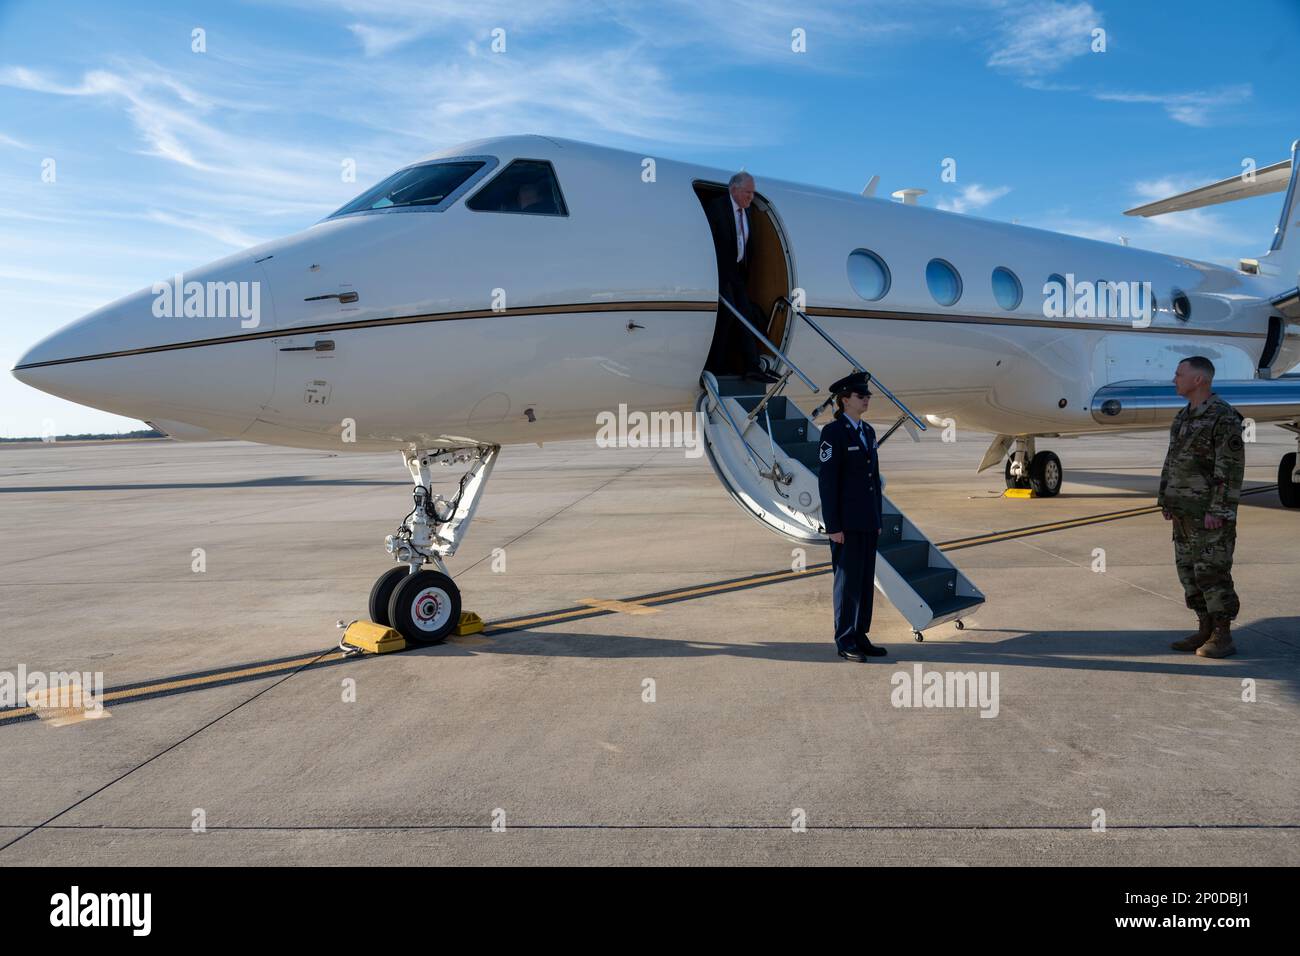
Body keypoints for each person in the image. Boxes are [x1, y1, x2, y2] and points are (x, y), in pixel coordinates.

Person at [1159, 355, 1245, 659]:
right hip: (1182, 511)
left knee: (1212, 572)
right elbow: (1172, 461)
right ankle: (1204, 626)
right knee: (1189, 573)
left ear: (1199, 380)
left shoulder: (1223, 418)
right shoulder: (1183, 417)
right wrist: (1166, 499)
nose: (1174, 379)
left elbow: (1230, 469)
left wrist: (1219, 510)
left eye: (1179, 374)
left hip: (1209, 515)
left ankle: (1223, 635)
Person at [817, 371, 886, 662]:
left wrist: (878, 519)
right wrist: (833, 526)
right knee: (846, 582)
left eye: (867, 395)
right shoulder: (832, 434)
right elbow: (827, 482)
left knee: (863, 579)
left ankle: (860, 633)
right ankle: (845, 638)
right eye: (861, 395)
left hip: (867, 521)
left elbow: (874, 478)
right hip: (845, 524)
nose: (866, 398)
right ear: (844, 400)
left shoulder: (868, 432)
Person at [704, 172, 776, 382]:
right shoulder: (717, 208)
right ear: (733, 189)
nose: (750, 197)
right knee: (727, 319)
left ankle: (752, 367)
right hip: (719, 274)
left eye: (752, 193)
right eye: (747, 192)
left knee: (745, 318)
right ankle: (716, 367)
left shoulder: (748, 213)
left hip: (736, 275)